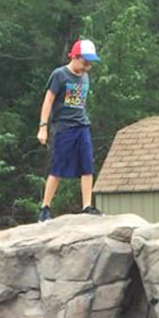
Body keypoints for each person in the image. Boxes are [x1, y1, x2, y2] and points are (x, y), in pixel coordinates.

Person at [37, 38, 103, 222]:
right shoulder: (59, 75)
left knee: (87, 165)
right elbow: (48, 100)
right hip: (64, 128)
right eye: (84, 62)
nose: (87, 67)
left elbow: (77, 104)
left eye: (90, 64)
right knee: (58, 167)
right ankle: (45, 209)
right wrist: (43, 127)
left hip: (82, 125)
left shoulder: (85, 76)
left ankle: (87, 206)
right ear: (74, 57)